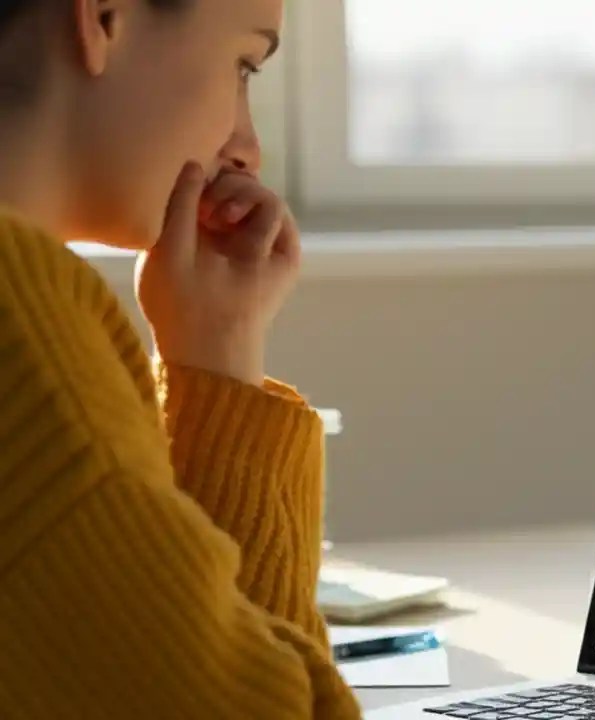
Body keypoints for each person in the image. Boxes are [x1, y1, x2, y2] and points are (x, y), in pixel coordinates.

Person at [0, 0, 360, 717]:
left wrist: (215, 353)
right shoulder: (27, 352)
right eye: (244, 65)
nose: (248, 149)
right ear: (102, 16)